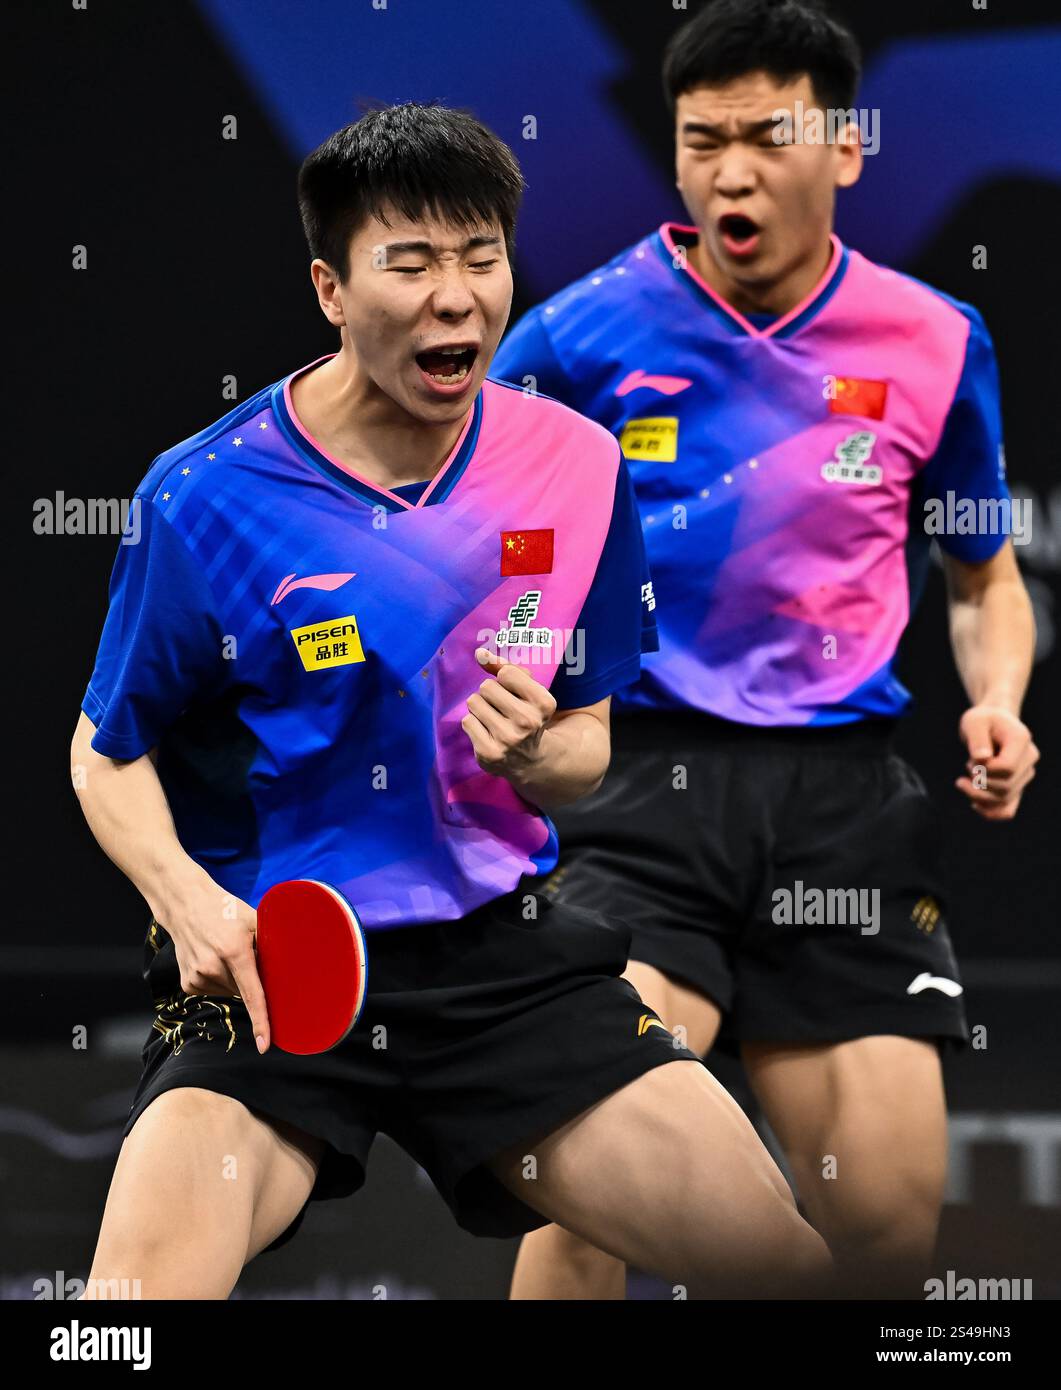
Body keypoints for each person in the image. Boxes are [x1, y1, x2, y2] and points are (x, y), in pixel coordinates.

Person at [71, 102, 829, 1300]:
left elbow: (586, 748)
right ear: (330, 288)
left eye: (481, 260)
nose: (457, 297)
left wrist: (539, 755)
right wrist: (187, 903)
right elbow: (103, 750)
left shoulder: (577, 464)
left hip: (504, 966)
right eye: (410, 263)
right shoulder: (204, 496)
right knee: (122, 1319)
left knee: (788, 1270)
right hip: (282, 965)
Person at [493, 0, 1039, 1300]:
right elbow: (479, 536)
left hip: (843, 806)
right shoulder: (574, 338)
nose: (731, 169)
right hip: (634, 786)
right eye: (702, 140)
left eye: (767, 135)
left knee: (889, 1226)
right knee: (589, 1188)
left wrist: (999, 697)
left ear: (845, 149)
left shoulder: (938, 343)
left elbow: (983, 576)